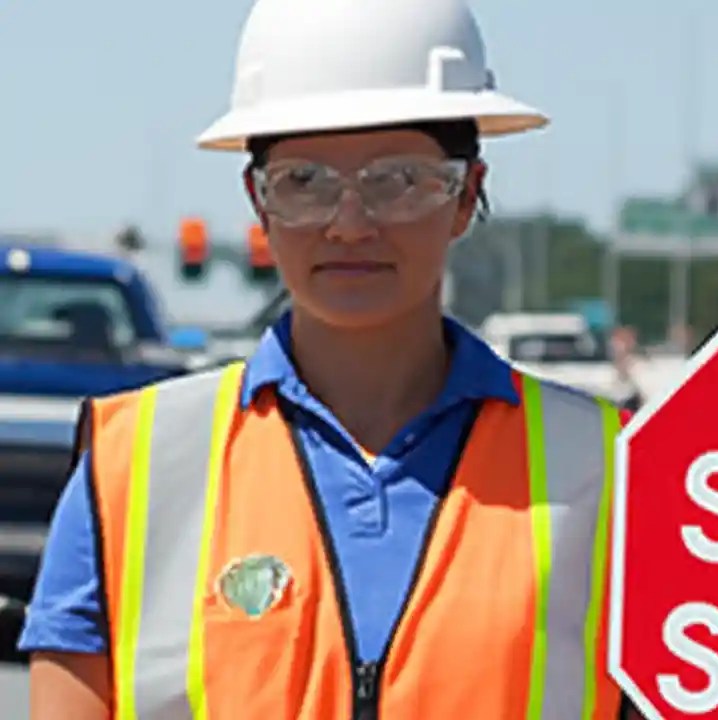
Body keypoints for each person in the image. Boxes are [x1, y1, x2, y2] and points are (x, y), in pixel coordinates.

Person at [20, 0, 643, 717]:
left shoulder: (610, 466)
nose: (350, 224)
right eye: (305, 182)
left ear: (467, 194)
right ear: (257, 199)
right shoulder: (132, 466)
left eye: (398, 181)